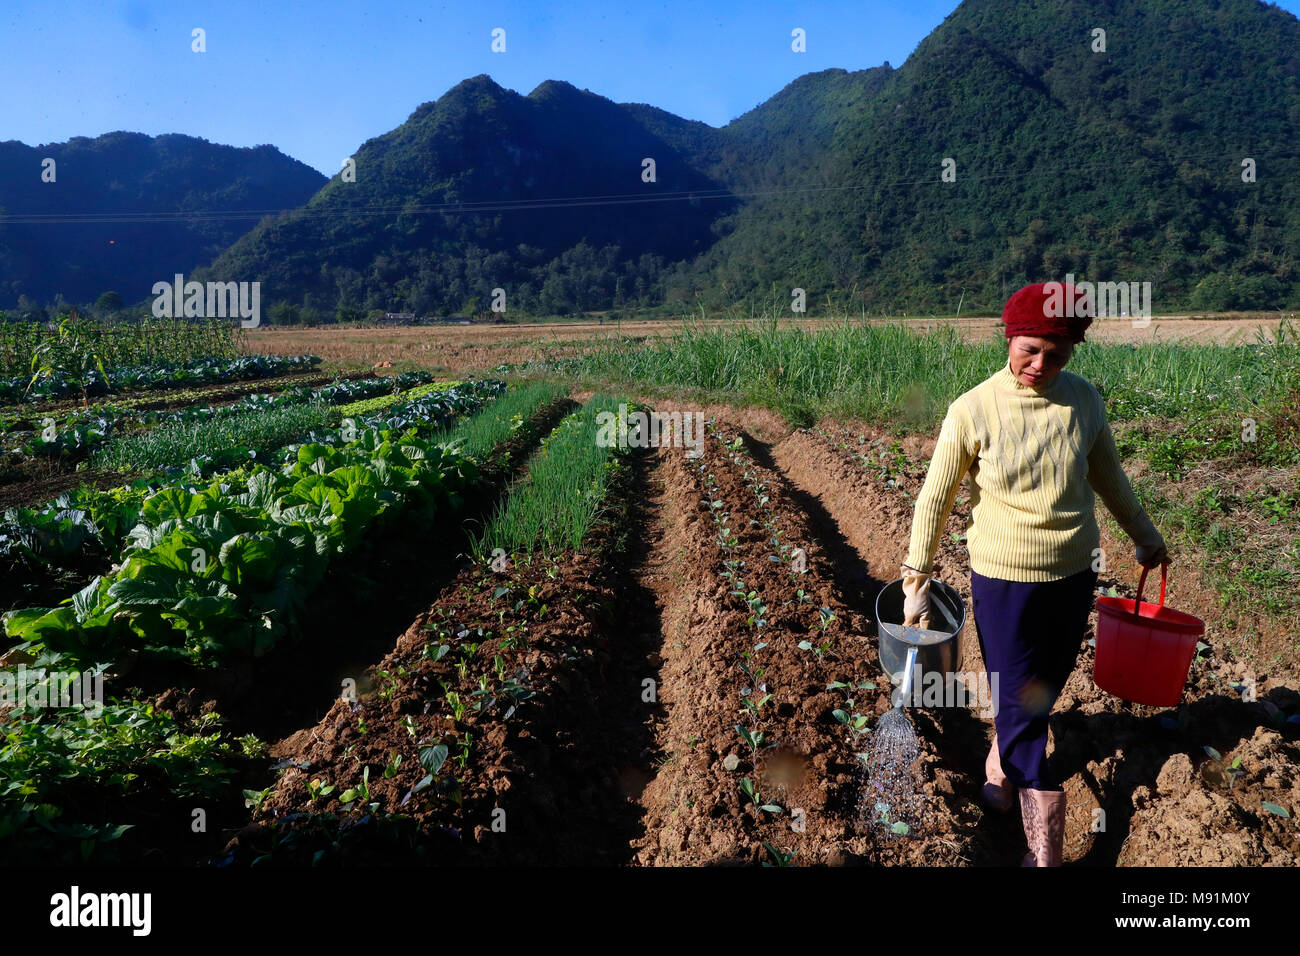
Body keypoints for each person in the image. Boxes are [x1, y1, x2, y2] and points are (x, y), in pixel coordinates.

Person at [900, 281, 1168, 867]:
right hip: (1003, 576)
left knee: (1042, 684)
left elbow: (1110, 480)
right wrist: (916, 580)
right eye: (1029, 350)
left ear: (1073, 348)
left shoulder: (1084, 402)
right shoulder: (973, 409)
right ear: (1009, 340)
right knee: (1016, 687)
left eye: (1056, 352)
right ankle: (1040, 842)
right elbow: (935, 497)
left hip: (1073, 572)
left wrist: (1146, 538)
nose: (1040, 365)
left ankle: (1002, 752)